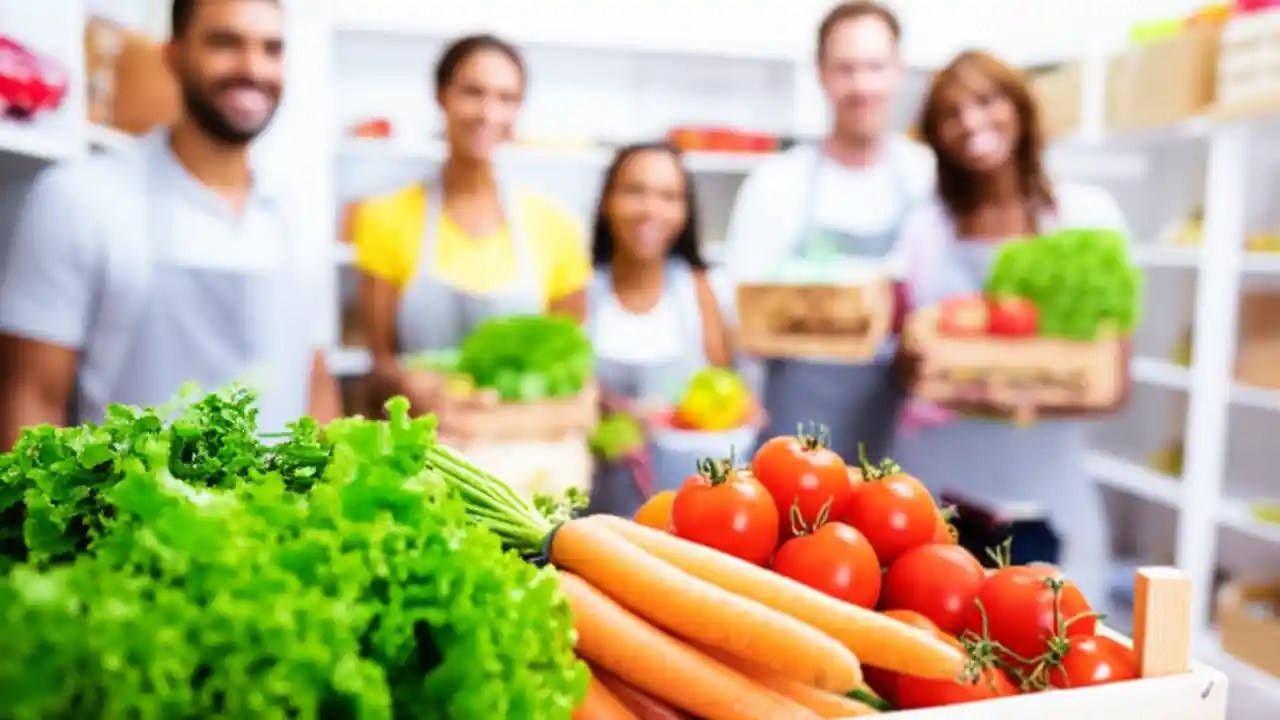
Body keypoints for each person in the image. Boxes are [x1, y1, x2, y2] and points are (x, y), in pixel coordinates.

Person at [0, 0, 339, 447]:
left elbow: (315, 385)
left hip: (283, 515)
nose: (252, 67)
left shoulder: (301, 214)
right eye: (225, 43)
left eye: (271, 49)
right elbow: (31, 399)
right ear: (174, 56)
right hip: (124, 513)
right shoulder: (79, 197)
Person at [891, 50, 1130, 603]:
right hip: (937, 485)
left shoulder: (1086, 217)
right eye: (950, 113)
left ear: (1019, 106)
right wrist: (914, 360)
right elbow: (903, 369)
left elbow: (1112, 383)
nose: (971, 122)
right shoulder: (924, 229)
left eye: (986, 100)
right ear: (934, 134)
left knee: (1051, 648)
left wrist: (1012, 395)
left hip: (1044, 488)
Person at [722, 1, 935, 461]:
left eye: (875, 67)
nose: (862, 85)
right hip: (795, 438)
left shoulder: (927, 178)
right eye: (846, 69)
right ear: (821, 74)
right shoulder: (776, 183)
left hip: (903, 442)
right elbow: (740, 312)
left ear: (899, 71)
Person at [353, 34, 591, 410]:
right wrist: (410, 385)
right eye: (472, 92)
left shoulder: (557, 226)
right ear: (441, 95)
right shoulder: (385, 217)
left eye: (506, 98)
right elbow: (380, 365)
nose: (488, 113)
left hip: (525, 451)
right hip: (427, 450)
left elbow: (569, 367)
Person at [584, 143, 733, 516]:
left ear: (685, 211)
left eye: (669, 196)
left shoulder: (700, 290)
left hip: (688, 514)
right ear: (606, 201)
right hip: (597, 517)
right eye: (635, 191)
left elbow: (726, 398)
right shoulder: (578, 293)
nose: (651, 209)